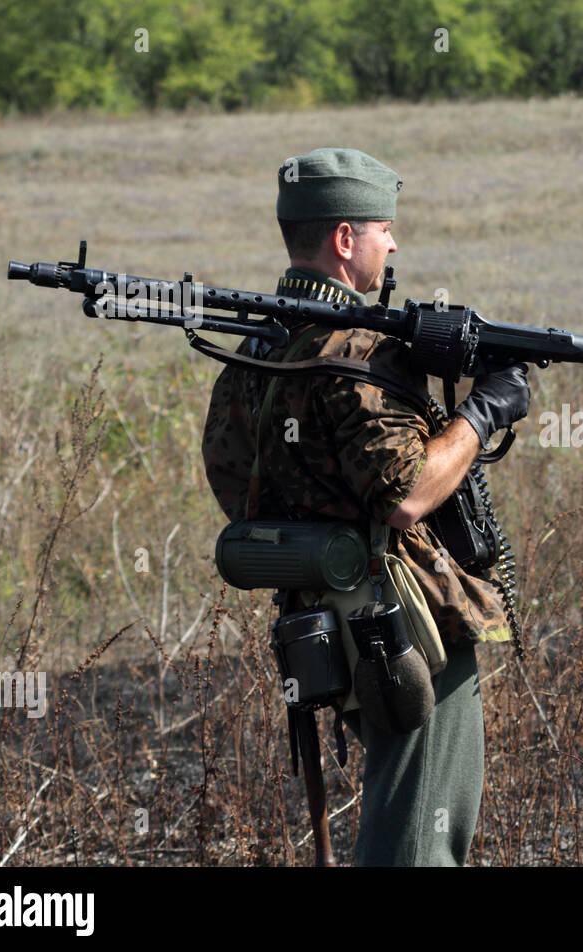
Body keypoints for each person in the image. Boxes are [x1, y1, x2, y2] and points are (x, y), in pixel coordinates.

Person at [201, 147, 529, 865]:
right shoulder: (360, 352)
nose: (395, 243)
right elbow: (408, 494)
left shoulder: (256, 347)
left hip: (323, 616)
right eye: (384, 228)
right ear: (344, 240)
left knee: (401, 807)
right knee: (419, 829)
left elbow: (233, 485)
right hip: (406, 621)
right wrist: (482, 415)